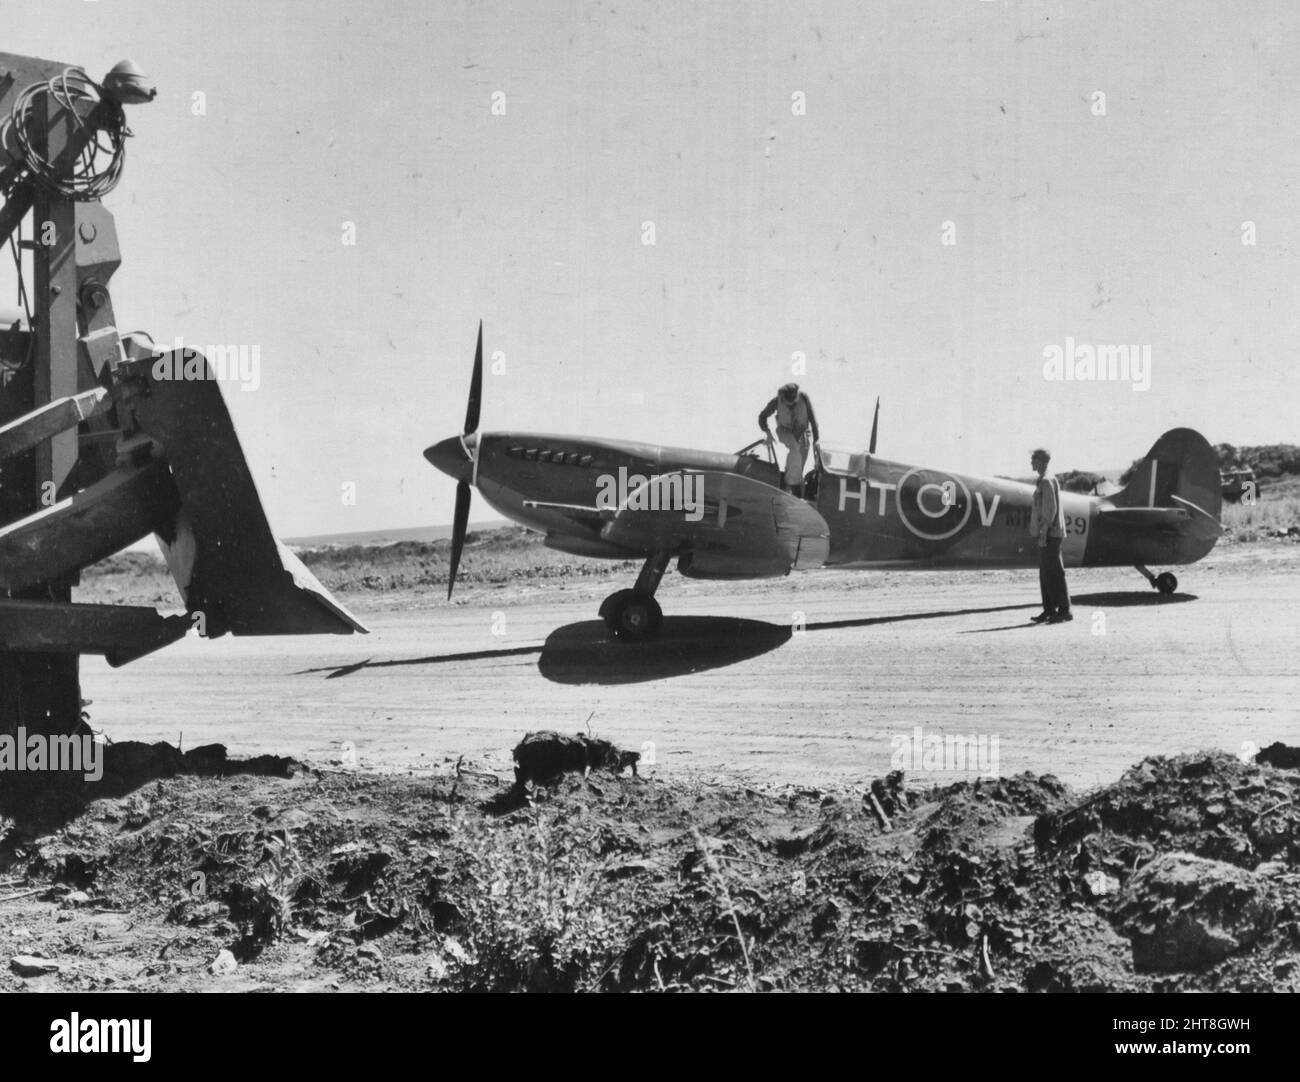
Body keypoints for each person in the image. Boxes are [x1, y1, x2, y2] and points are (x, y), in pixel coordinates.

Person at [1028, 448, 1071, 623]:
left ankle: (1064, 610)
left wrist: (1043, 532)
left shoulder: (1046, 481)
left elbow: (1049, 510)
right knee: (1045, 572)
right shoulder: (1044, 480)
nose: (1031, 462)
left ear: (1041, 461)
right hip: (1049, 533)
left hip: (1050, 534)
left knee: (1053, 572)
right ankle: (1049, 609)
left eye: (1033, 459)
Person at [759, 382, 820, 497]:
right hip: (785, 431)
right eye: (789, 404)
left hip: (803, 432)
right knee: (795, 450)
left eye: (794, 403)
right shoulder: (777, 401)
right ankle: (787, 489)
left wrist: (817, 453)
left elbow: (814, 424)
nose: (792, 406)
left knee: (798, 464)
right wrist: (768, 433)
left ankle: (796, 489)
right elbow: (762, 417)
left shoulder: (804, 398)